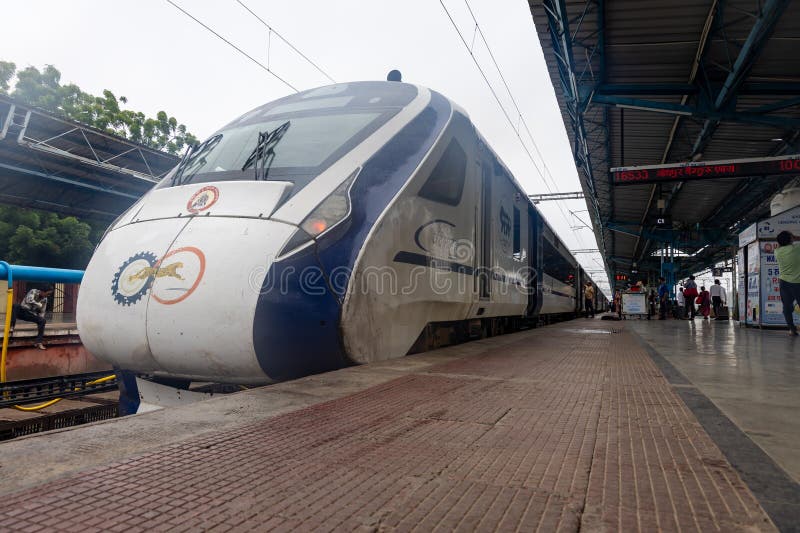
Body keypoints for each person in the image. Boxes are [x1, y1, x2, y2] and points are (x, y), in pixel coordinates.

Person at [9, 285, 54, 350]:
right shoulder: (33, 291)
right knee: (15, 306)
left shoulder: (45, 299)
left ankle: (39, 342)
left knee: (42, 321)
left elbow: (42, 311)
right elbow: (29, 300)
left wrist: (40, 319)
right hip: (22, 311)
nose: (48, 295)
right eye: (48, 293)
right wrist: (38, 304)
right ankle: (11, 326)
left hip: (30, 314)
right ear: (42, 291)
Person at [775, 230, 800, 336]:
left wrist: (791, 238)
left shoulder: (777, 252)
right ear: (790, 239)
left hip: (784, 283)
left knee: (787, 307)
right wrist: (796, 237)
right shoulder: (796, 249)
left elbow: (780, 245)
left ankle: (791, 329)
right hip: (797, 283)